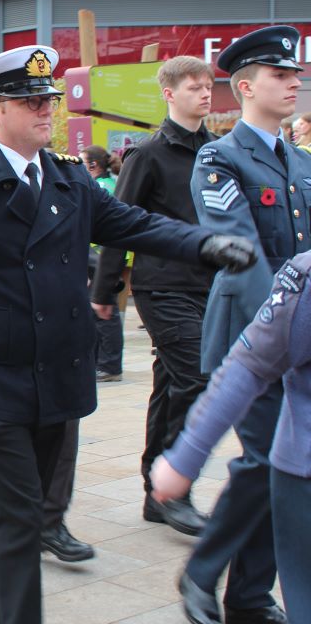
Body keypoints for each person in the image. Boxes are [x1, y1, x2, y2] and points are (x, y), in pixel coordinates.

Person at [0, 44, 257, 624]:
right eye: (31, 101)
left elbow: (133, 223)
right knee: (18, 518)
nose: (46, 110)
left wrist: (203, 244)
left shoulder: (67, 179)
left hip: (55, 375)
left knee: (5, 517)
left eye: (50, 100)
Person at [180, 26, 311, 624]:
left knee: (281, 469)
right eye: (280, 76)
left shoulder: (302, 161)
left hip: (300, 337)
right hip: (251, 338)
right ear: (245, 86)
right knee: (264, 463)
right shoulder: (219, 157)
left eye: (295, 75)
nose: (294, 84)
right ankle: (202, 573)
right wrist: (280, 331)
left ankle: (252, 598)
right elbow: (238, 247)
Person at [91, 55, 218, 537]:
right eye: (193, 87)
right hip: (162, 286)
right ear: (169, 93)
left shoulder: (218, 151)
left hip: (210, 286)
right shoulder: (147, 155)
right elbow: (116, 224)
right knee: (196, 378)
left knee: (172, 383)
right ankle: (176, 489)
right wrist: (105, 291)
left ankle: (155, 492)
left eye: (208, 86)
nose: (204, 94)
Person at [151, 253, 311, 624]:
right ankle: (210, 576)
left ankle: (247, 593)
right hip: (257, 313)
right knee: (259, 463)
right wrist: (185, 458)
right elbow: (249, 365)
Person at [80, 145, 125, 382]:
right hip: (104, 257)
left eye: (83, 161)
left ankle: (109, 365)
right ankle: (106, 363)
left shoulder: (100, 187)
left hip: (100, 257)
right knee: (105, 311)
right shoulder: (108, 183)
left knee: (106, 313)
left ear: (93, 165)